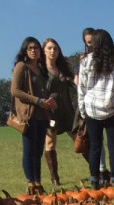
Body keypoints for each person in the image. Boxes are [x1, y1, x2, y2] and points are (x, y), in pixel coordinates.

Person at [78, 29, 114, 189]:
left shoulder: (85, 62)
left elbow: (81, 88)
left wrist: (83, 110)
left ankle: (94, 180)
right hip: (112, 110)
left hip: (92, 110)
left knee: (95, 146)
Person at [11, 36, 55, 195]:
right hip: (29, 115)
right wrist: (36, 101)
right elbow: (15, 90)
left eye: (36, 48)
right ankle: (31, 182)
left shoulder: (42, 69)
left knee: (38, 151)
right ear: (25, 50)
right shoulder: (22, 66)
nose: (34, 51)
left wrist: (49, 102)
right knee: (29, 150)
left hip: (42, 115)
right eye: (30, 48)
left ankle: (38, 181)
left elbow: (44, 91)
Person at [43, 38, 77, 188]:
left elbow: (75, 80)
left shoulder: (63, 67)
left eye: (55, 48)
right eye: (49, 48)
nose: (52, 51)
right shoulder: (40, 70)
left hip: (67, 110)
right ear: (44, 50)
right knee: (50, 142)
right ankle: (54, 178)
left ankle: (98, 171)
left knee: (80, 139)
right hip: (50, 112)